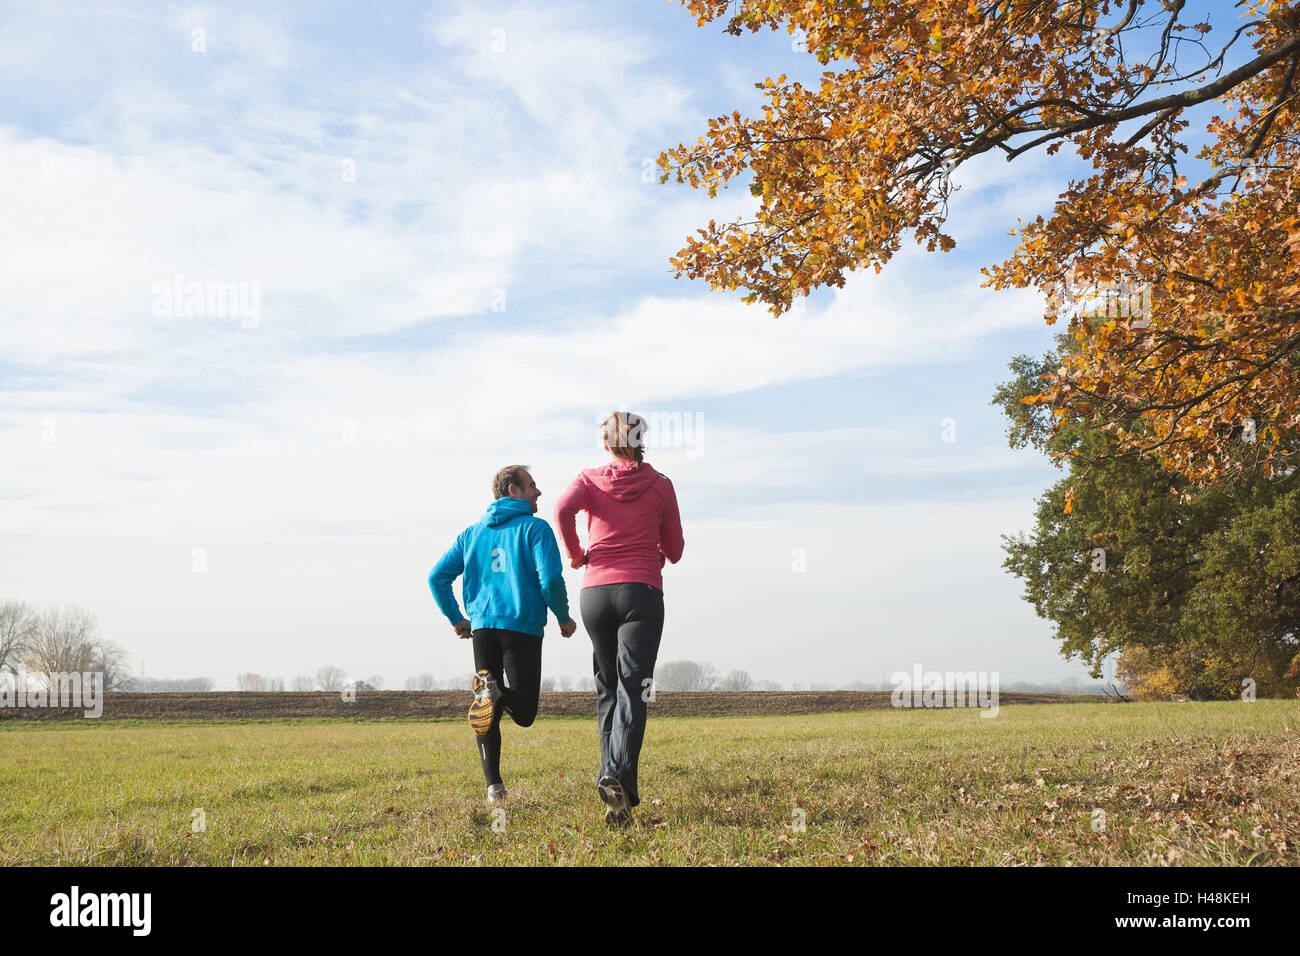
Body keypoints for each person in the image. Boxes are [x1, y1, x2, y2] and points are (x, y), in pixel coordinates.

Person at [554, 412, 684, 826]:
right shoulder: (661, 485)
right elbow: (676, 550)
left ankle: (616, 794)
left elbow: (560, 510)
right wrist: (654, 545)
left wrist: (576, 553)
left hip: (595, 594)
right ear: (641, 440)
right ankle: (619, 777)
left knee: (608, 688)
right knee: (635, 689)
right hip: (641, 593)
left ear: (606, 443)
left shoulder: (589, 479)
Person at [429, 465, 577, 804]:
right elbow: (551, 580)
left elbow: (437, 577)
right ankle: (498, 694)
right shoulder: (536, 529)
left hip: (483, 629)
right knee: (523, 714)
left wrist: (457, 619)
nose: (538, 492)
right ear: (514, 490)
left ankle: (494, 787)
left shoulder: (471, 533)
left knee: (485, 705)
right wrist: (564, 617)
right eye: (532, 486)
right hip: (522, 628)